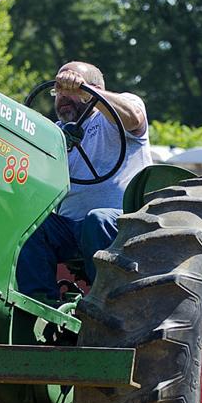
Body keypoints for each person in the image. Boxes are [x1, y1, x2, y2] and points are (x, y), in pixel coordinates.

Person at [15, 61, 153, 301]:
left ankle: (106, 303)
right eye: (58, 90)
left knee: (96, 219)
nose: (63, 96)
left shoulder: (114, 119)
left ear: (94, 89)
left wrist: (89, 93)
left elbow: (134, 117)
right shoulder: (57, 135)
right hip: (70, 229)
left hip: (121, 224)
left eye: (71, 88)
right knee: (30, 225)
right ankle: (40, 307)